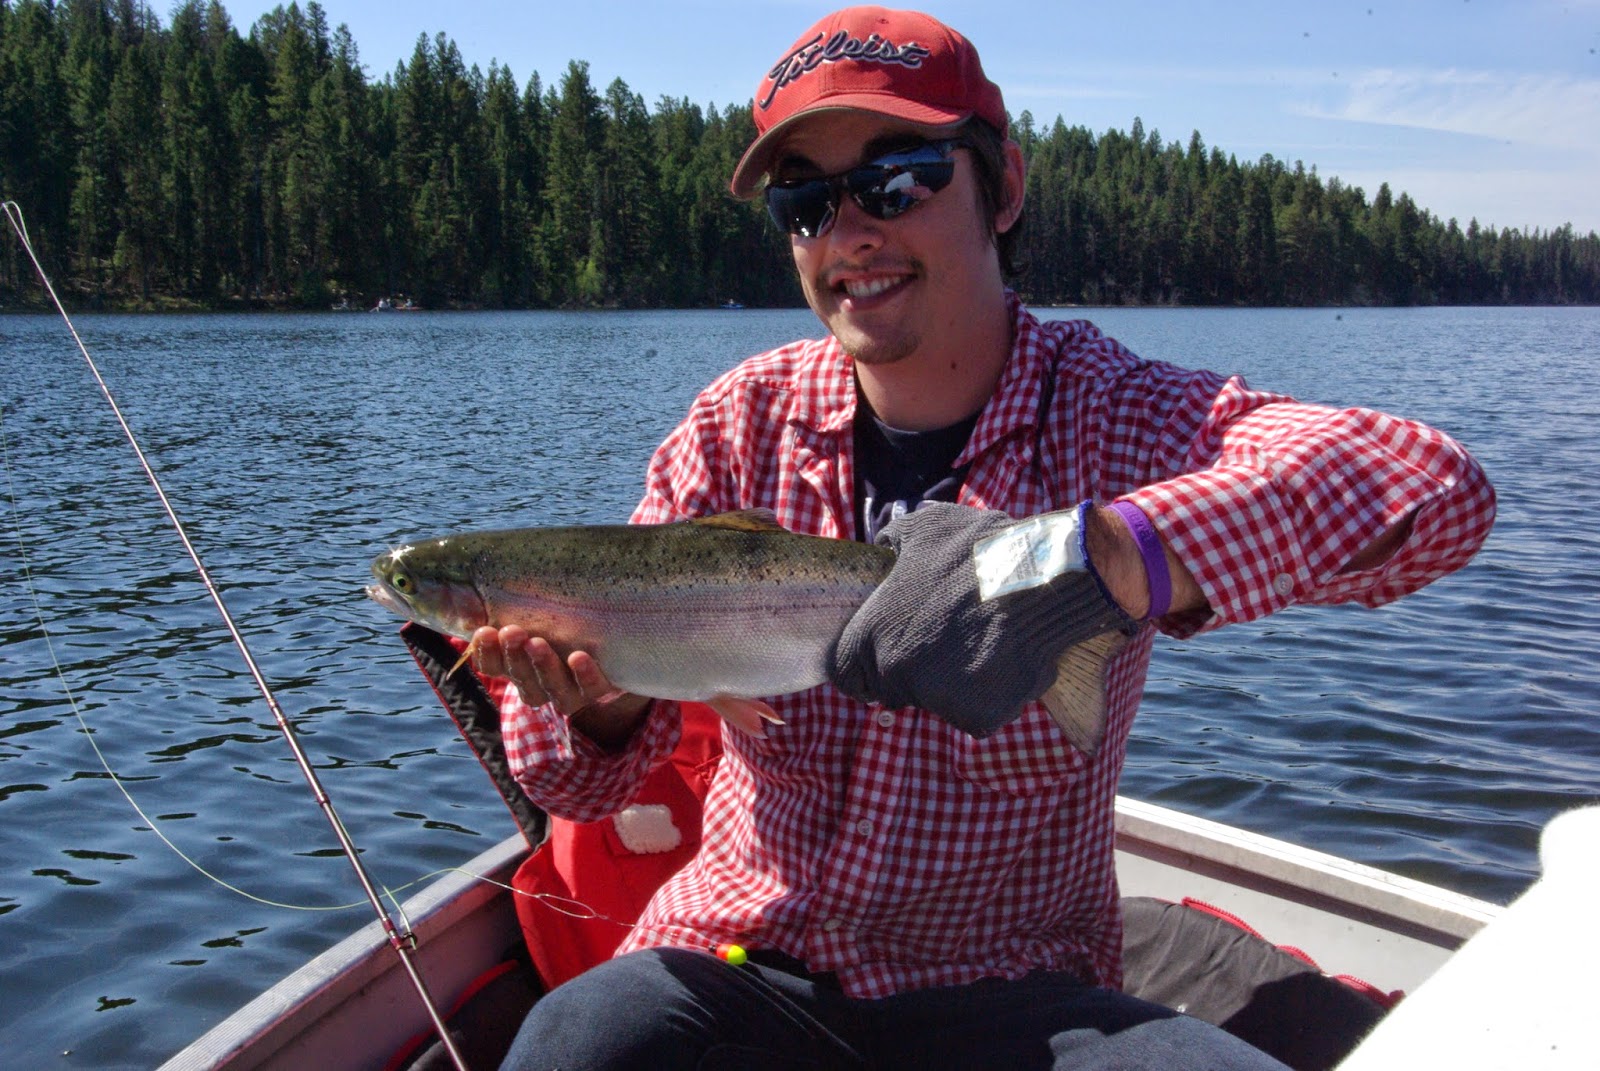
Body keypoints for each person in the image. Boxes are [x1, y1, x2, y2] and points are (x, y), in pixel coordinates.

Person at [471, 7, 1496, 1069]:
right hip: (739, 957)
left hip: (1020, 993)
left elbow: (1433, 491)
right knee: (580, 1038)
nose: (850, 233)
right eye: (806, 201)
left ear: (1001, 188)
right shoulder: (736, 424)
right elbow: (577, 792)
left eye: (898, 177)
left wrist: (1091, 565)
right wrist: (599, 701)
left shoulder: (1114, 414)